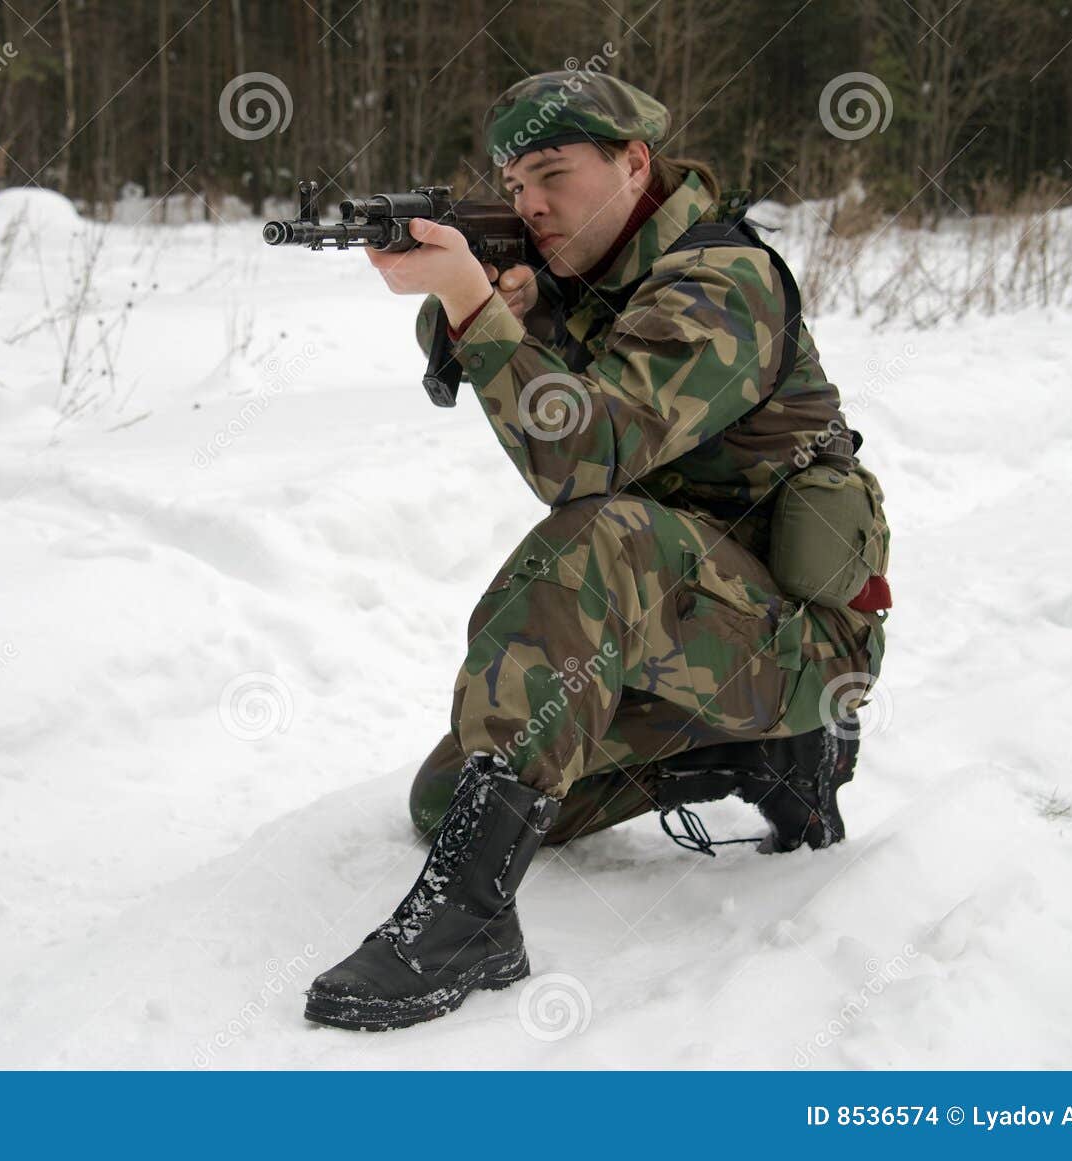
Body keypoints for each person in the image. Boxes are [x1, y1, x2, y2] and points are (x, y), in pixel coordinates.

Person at [302, 71, 892, 1032]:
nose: (530, 202)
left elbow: (587, 453)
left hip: (800, 637)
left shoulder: (721, 282)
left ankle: (470, 922)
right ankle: (767, 757)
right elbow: (457, 379)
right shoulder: (590, 280)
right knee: (449, 794)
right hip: (679, 626)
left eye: (551, 173)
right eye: (513, 182)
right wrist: (505, 302)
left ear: (633, 162)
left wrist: (476, 300)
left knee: (592, 538)